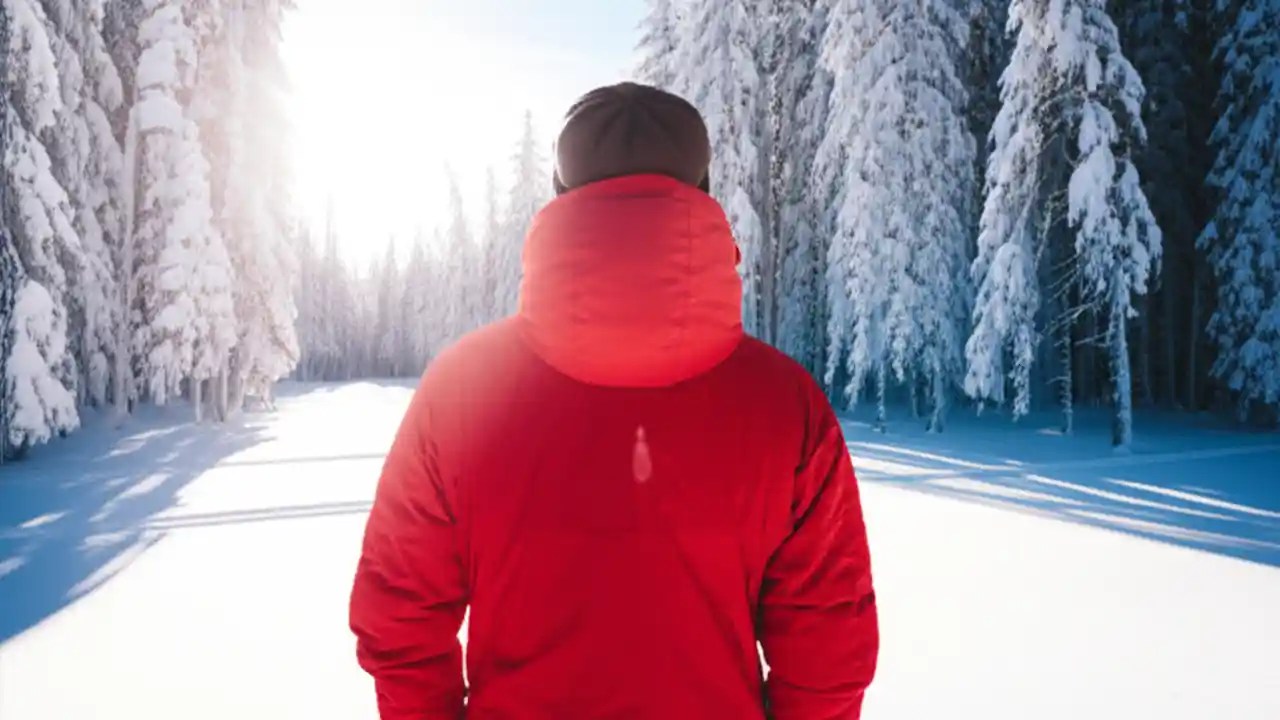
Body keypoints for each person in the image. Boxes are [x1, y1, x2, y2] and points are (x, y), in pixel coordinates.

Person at [349, 82, 878, 720]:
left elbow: (401, 613)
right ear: (702, 193)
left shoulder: (464, 388)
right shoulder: (785, 405)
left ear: (559, 198)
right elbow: (827, 643)